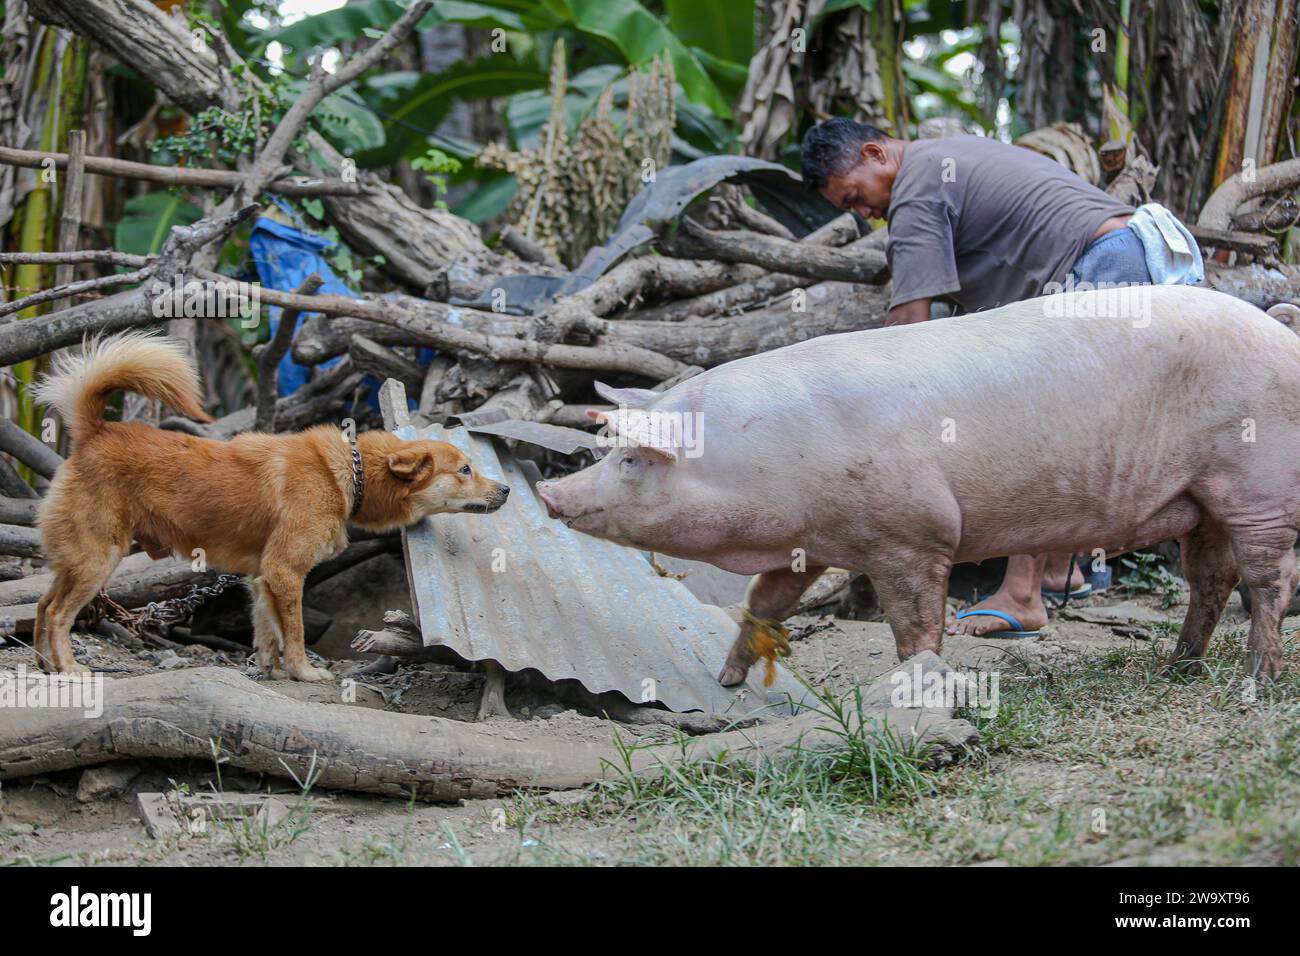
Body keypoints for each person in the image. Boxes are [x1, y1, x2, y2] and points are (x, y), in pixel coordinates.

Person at [800, 117, 1203, 638]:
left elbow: (908, 329)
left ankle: (1021, 594)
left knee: (1037, 432)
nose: (865, 213)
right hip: (1144, 257)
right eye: (850, 210)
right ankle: (1064, 570)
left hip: (1109, 265)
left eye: (856, 196)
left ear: (876, 154)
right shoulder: (947, 156)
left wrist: (863, 424)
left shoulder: (916, 187)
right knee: (1084, 432)